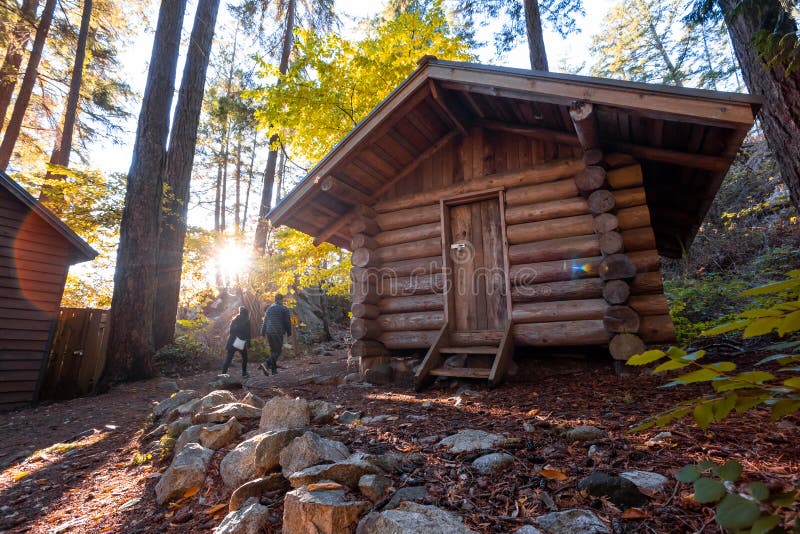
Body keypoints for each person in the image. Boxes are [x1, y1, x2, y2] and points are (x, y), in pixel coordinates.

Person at [260, 294, 292, 375]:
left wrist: (262, 333)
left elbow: (265, 322)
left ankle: (274, 371)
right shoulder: (284, 309)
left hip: (269, 332)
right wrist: (289, 333)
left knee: (273, 351)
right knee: (278, 351)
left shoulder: (269, 309)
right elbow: (287, 322)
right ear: (282, 300)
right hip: (278, 332)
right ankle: (266, 364)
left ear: (275, 300)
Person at [222, 306, 252, 377]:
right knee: (245, 357)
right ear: (246, 313)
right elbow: (247, 333)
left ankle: (223, 374)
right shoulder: (247, 321)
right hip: (240, 342)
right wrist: (249, 344)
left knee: (228, 359)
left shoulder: (234, 320)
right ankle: (244, 373)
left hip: (231, 341)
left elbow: (231, 331)